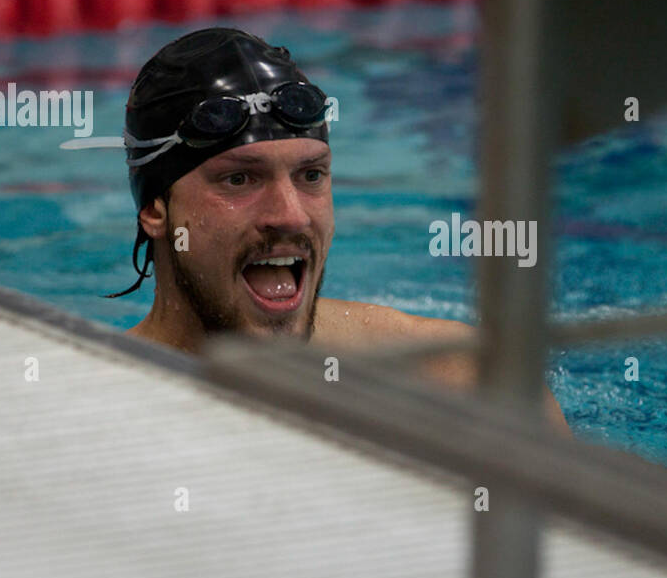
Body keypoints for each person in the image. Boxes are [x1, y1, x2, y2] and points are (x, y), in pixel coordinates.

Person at [112, 27, 570, 433]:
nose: (291, 215)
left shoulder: (460, 380)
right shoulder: (103, 396)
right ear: (155, 209)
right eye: (239, 179)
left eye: (310, 175)